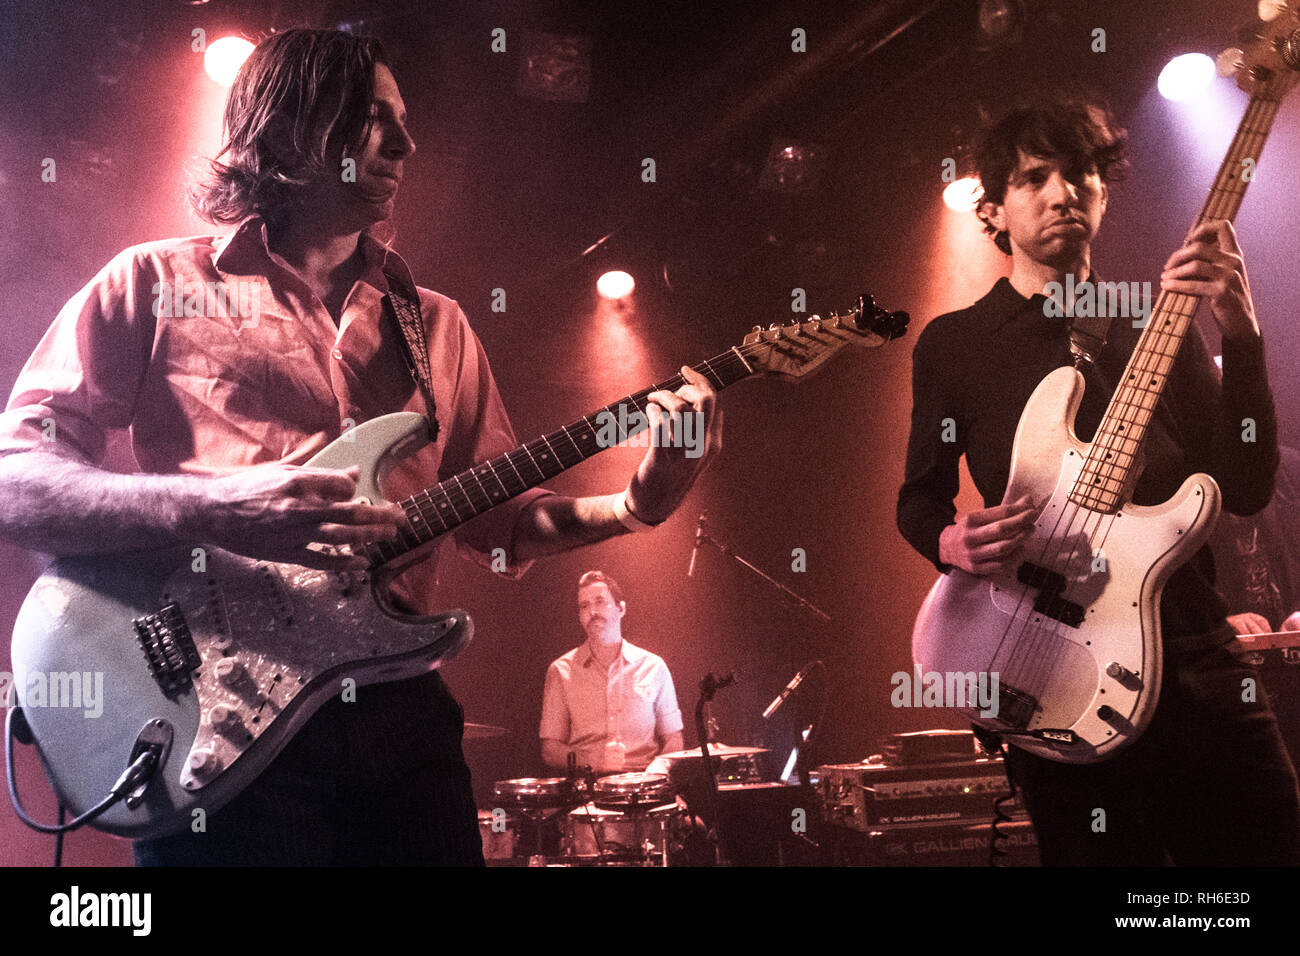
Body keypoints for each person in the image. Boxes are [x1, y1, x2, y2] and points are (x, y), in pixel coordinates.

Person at [0, 29, 719, 865]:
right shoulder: (154, 285)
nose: (405, 143)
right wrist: (213, 506)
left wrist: (634, 506)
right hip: (216, 711)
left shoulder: (437, 324)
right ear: (291, 124)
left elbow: (505, 516)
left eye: (404, 120)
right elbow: (16, 478)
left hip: (398, 721)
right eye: (374, 119)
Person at [896, 96, 1300, 865]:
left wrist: (1242, 336)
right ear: (995, 210)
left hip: (1196, 658)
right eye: (1033, 178)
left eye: (1080, 173)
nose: (1061, 193)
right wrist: (949, 540)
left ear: (1104, 191)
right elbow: (918, 499)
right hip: (1054, 674)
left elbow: (1245, 488)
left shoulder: (1160, 322)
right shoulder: (956, 347)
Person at [540, 571, 684, 774]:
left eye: (600, 602)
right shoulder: (560, 670)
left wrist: (661, 767)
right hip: (588, 786)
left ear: (621, 608)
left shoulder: (654, 666)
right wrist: (593, 761)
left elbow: (673, 738)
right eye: (584, 606)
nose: (592, 612)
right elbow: (550, 750)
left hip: (646, 782)